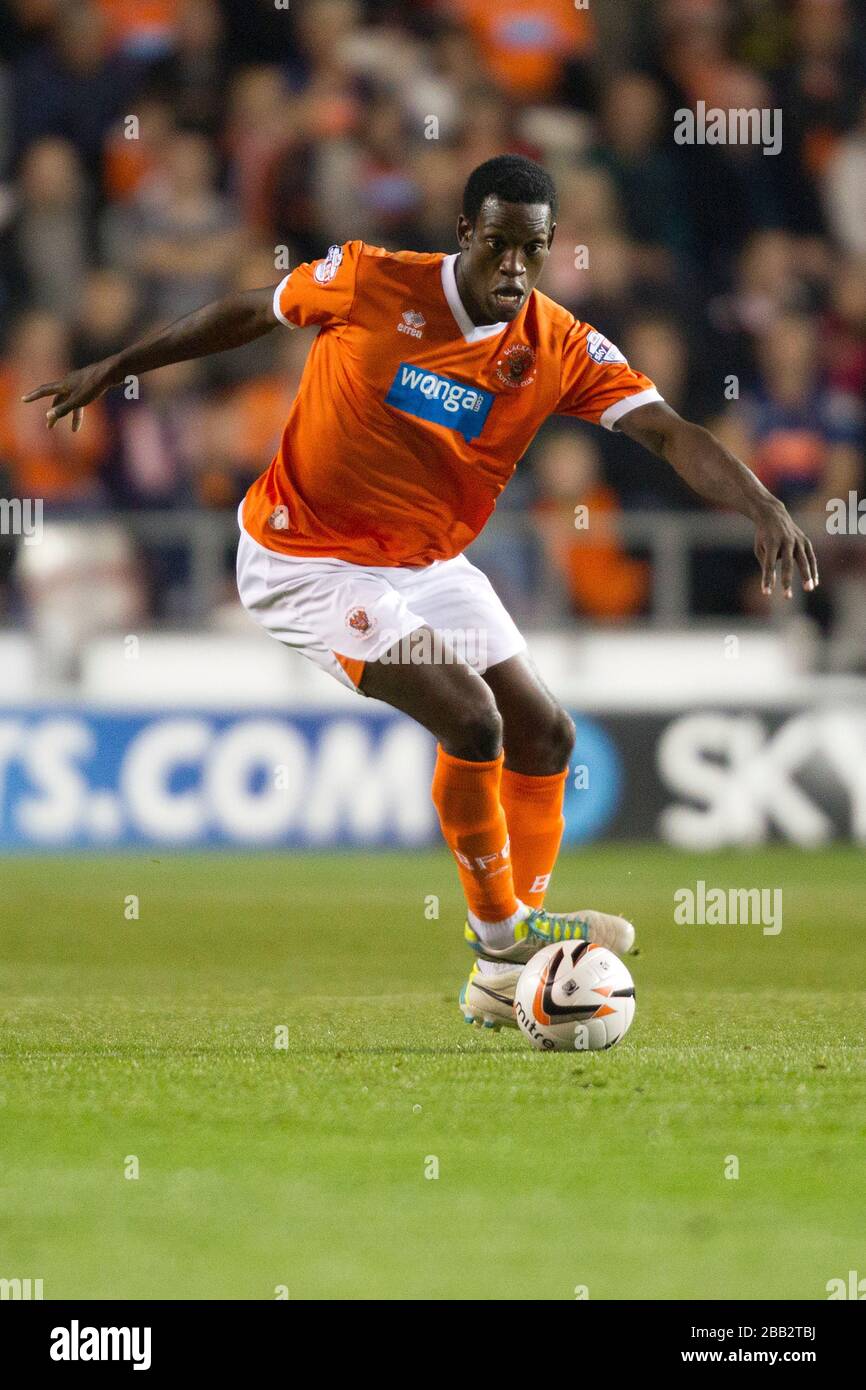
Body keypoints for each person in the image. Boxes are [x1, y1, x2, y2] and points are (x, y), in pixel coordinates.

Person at [22, 154, 819, 1030]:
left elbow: (670, 434)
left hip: (425, 561)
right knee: (471, 718)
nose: (515, 268)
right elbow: (254, 310)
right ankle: (503, 936)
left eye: (535, 250)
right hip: (305, 558)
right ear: (464, 235)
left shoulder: (557, 346)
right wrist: (119, 364)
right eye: (499, 246)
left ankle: (503, 952)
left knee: (545, 731)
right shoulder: (370, 280)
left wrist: (762, 501)